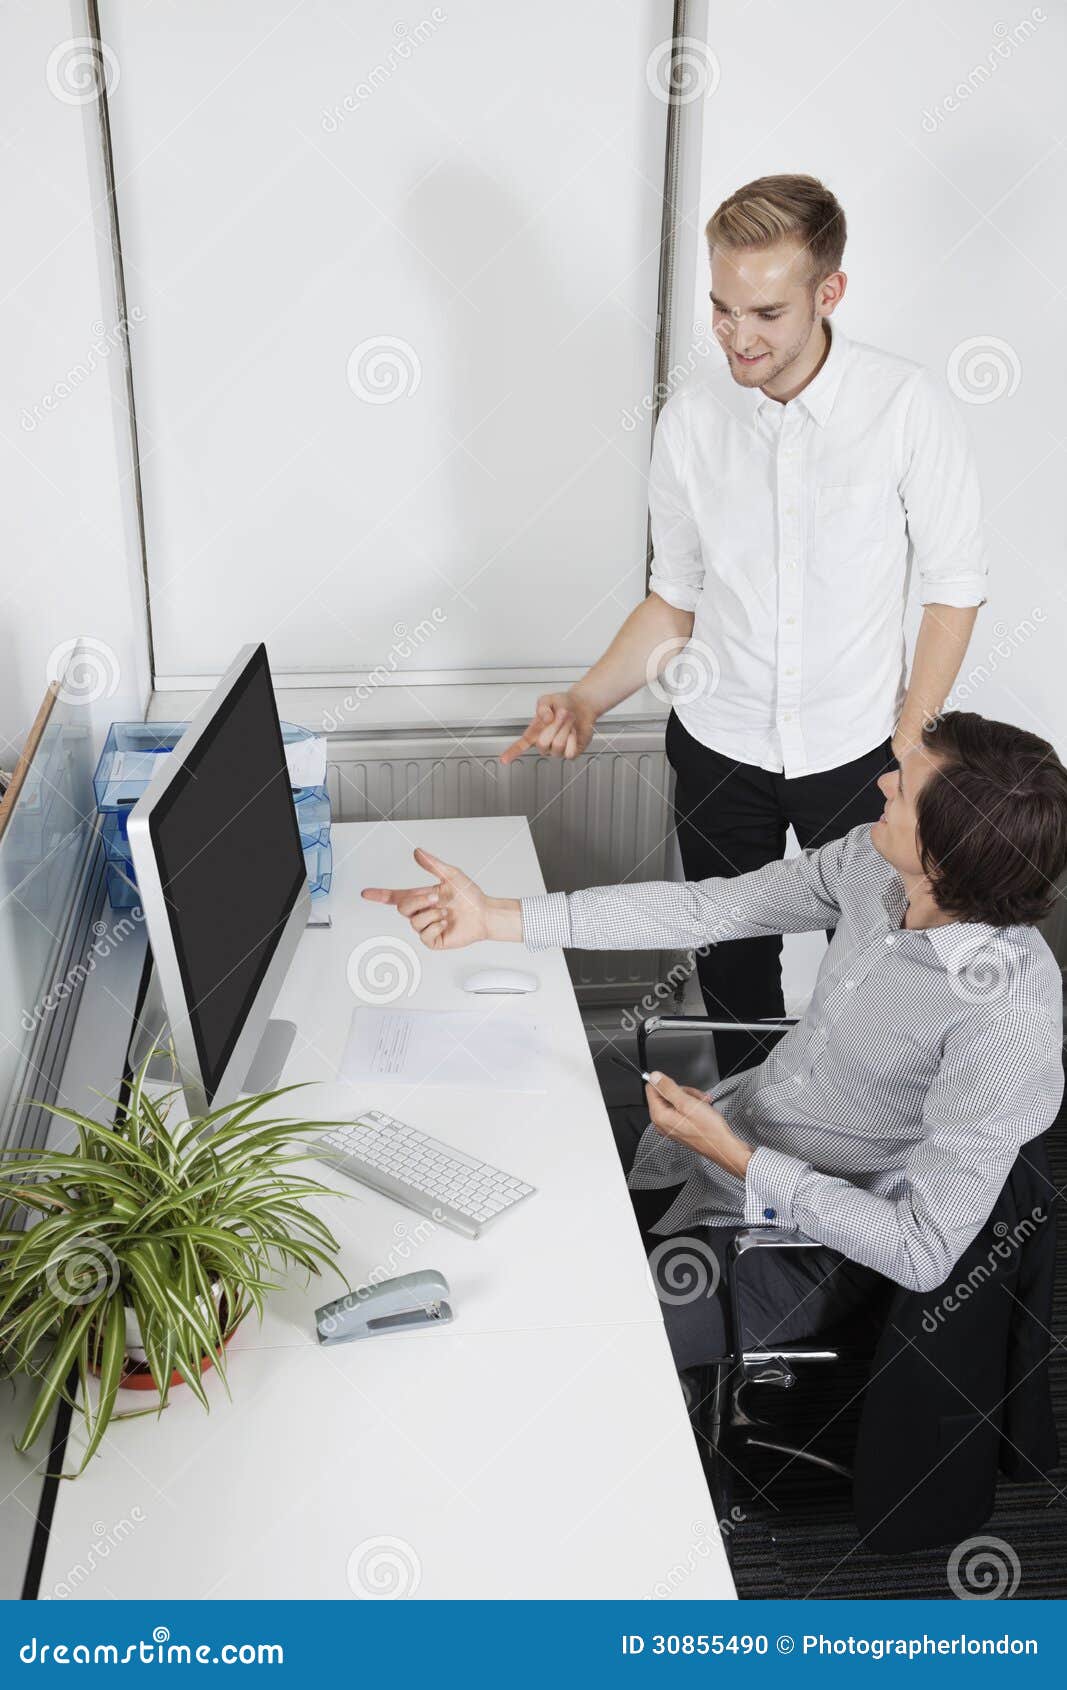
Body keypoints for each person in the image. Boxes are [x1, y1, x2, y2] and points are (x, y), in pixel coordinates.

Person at [363, 710, 1067, 1371]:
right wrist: (497, 918)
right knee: (525, 1234)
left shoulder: (1003, 1017)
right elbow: (711, 906)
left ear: (942, 854)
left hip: (813, 1241)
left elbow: (920, 1252)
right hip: (721, 1137)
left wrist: (733, 1154)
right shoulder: (875, 864)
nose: (883, 779)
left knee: (577, 1344)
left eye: (904, 787)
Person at [499, 174, 987, 1077]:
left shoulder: (905, 405)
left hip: (856, 751)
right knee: (730, 962)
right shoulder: (691, 420)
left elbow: (954, 586)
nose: (735, 336)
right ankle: (741, 1164)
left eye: (763, 312)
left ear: (827, 293)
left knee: (880, 969)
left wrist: (912, 736)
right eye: (721, 309)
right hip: (718, 745)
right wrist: (587, 697)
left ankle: (858, 1165)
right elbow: (673, 598)